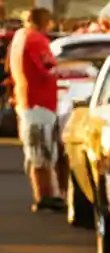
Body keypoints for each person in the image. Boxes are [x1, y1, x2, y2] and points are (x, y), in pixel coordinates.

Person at [6, 7, 64, 212]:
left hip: (26, 101)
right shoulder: (36, 39)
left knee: (35, 152)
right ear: (45, 22)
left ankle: (43, 195)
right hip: (39, 103)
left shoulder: (19, 37)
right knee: (42, 151)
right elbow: (48, 67)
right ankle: (46, 195)